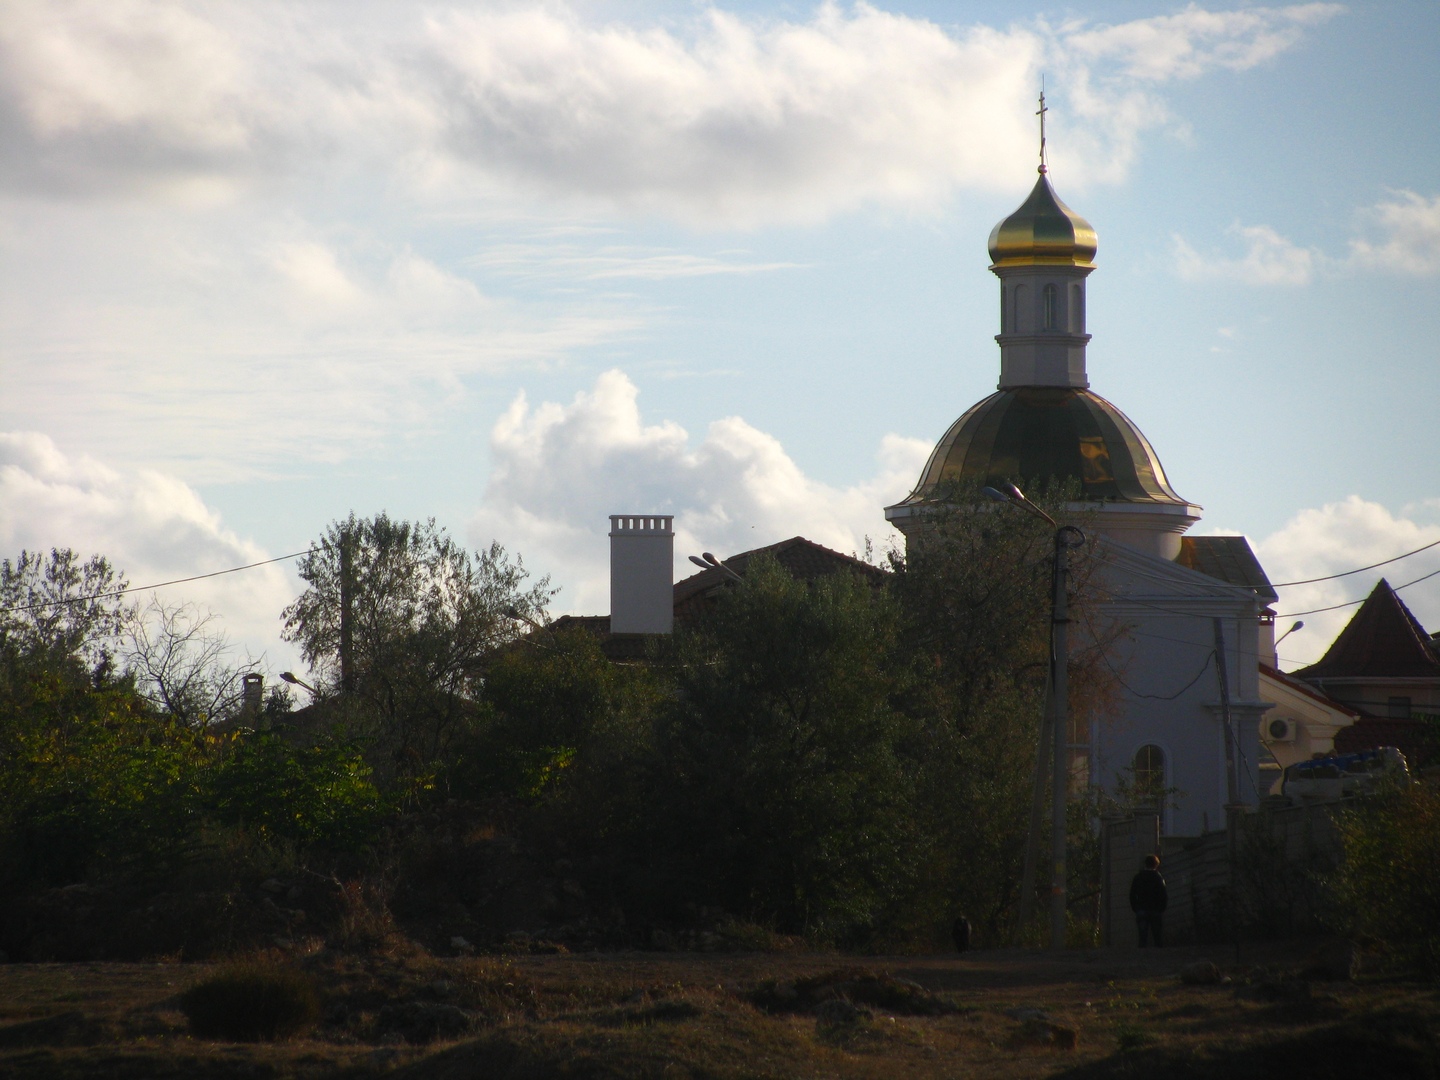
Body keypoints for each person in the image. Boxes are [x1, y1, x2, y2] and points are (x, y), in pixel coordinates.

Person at [1129, 854, 1167, 948]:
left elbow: (1132, 894)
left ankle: (1142, 957)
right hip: (1155, 909)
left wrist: (1135, 907)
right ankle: (1158, 958)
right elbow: (1163, 894)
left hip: (1141, 909)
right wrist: (1162, 908)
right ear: (1156, 865)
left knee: (1142, 937)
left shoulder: (1138, 877)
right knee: (1157, 936)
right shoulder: (1158, 878)